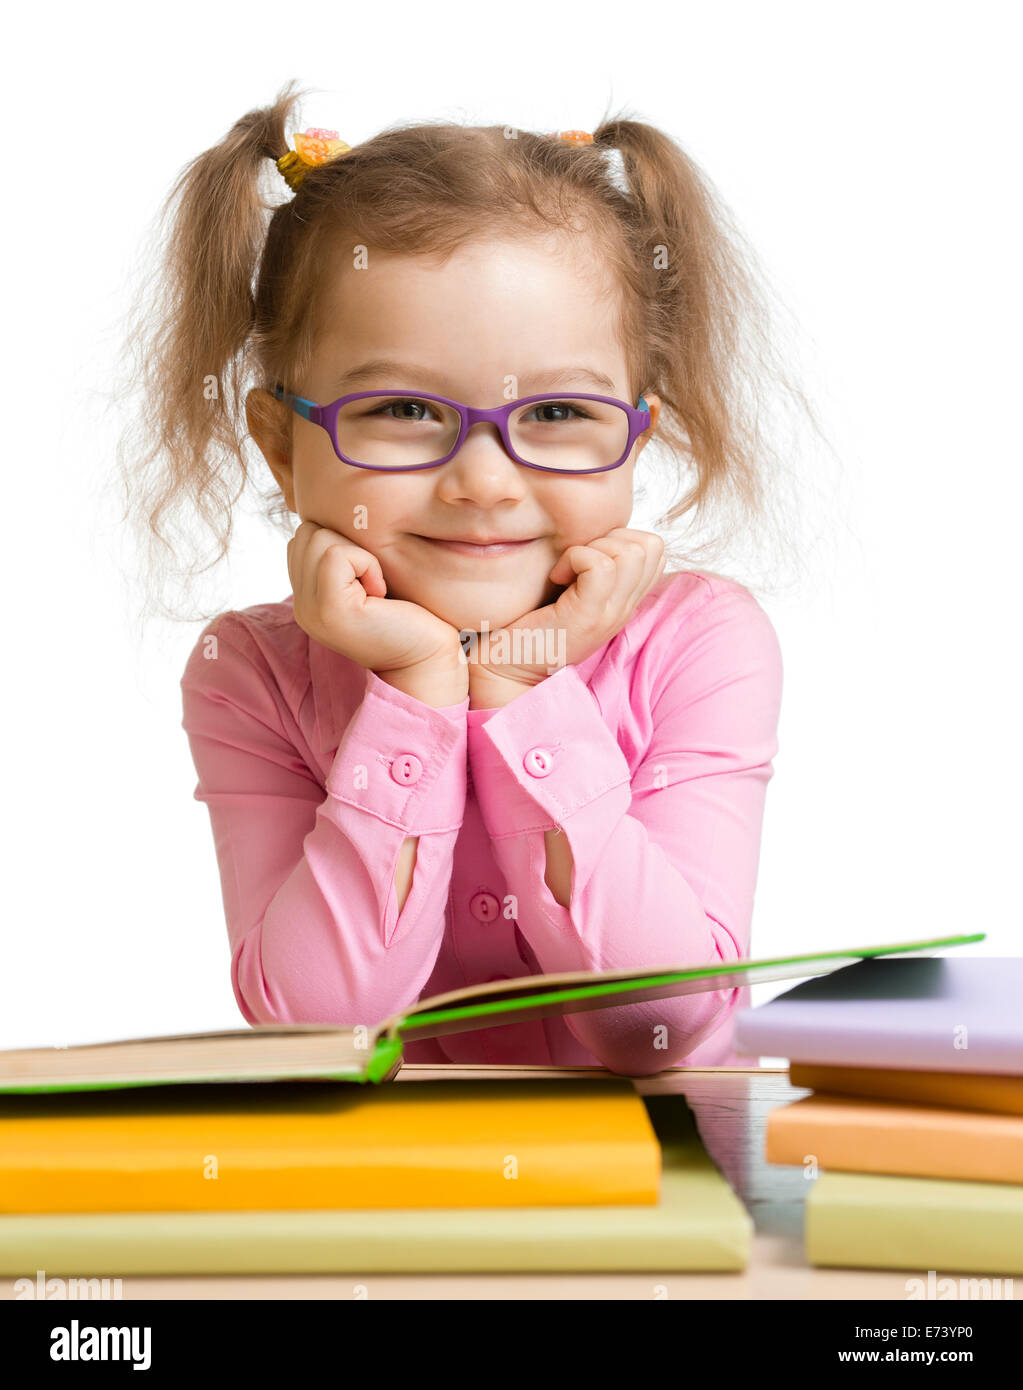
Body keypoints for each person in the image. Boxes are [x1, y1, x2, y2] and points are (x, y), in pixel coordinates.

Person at [116, 81, 813, 1074]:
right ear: (281, 446)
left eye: (561, 415)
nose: (484, 483)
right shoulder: (252, 673)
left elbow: (656, 1025)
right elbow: (320, 1031)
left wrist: (527, 687)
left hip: (655, 1207)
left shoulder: (698, 643)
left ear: (636, 436)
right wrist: (413, 692)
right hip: (396, 1212)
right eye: (403, 411)